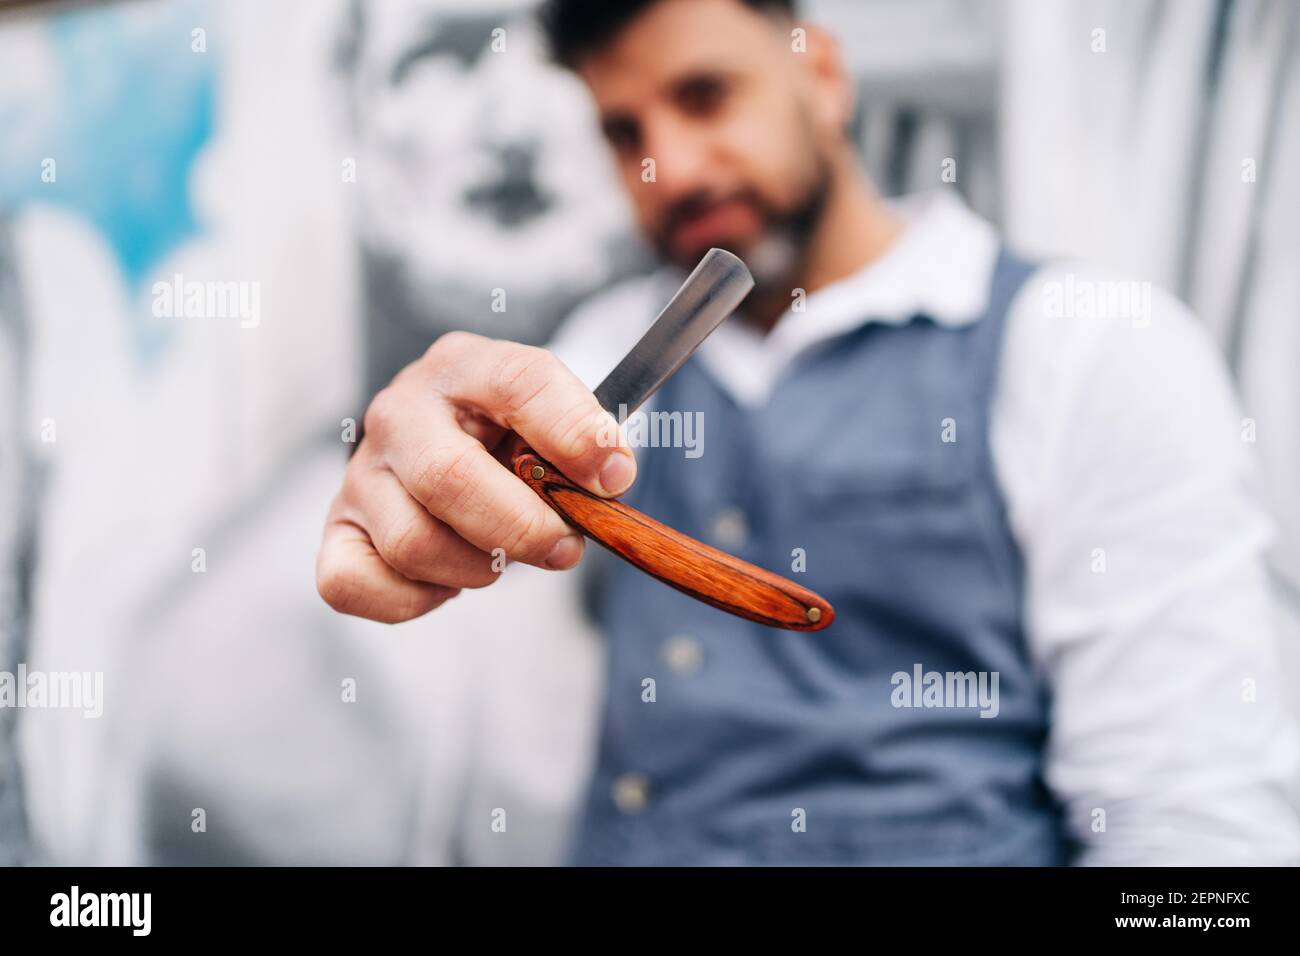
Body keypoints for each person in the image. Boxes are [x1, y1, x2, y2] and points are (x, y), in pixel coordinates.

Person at [315, 0, 1300, 865]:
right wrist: (395, 494)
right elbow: (456, 635)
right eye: (625, 131)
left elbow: (1193, 825)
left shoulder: (1086, 350)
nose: (674, 166)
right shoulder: (598, 358)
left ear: (821, 75)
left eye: (705, 94)